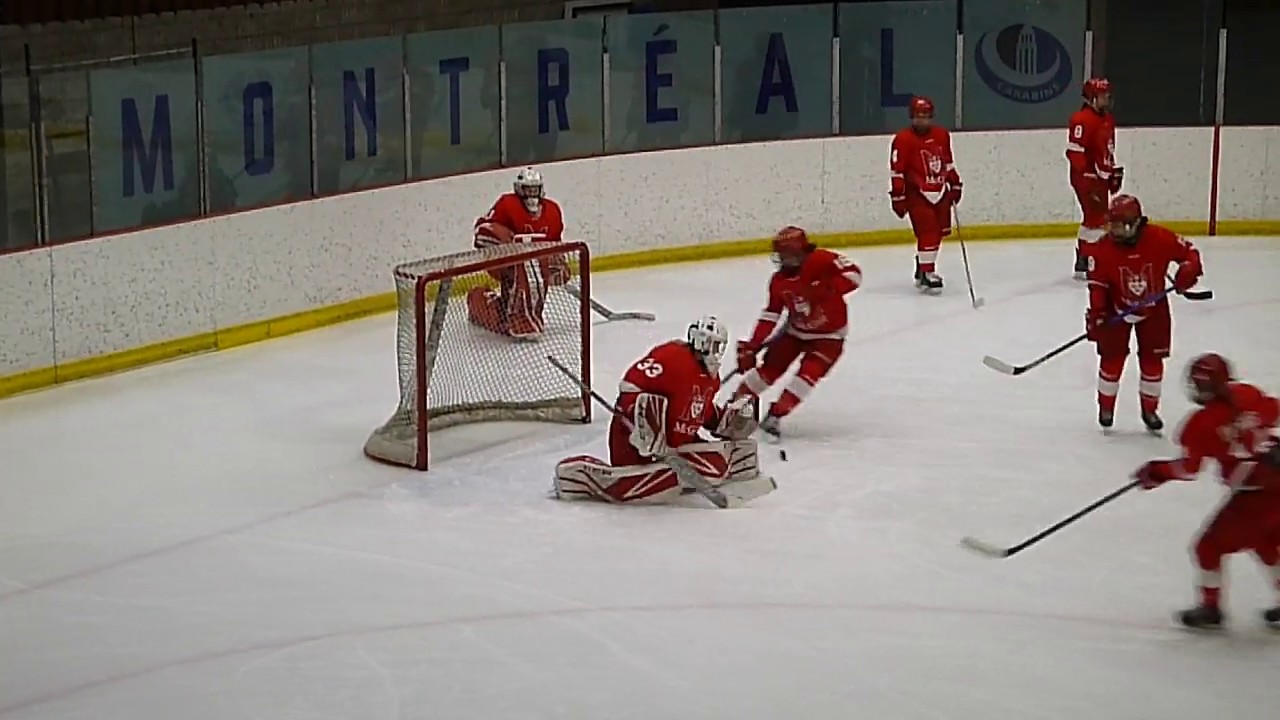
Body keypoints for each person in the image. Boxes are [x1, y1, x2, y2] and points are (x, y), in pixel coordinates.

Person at [1132, 353, 1280, 630]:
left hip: (1254, 496)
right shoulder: (1247, 393)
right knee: (1266, 543)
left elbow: (1189, 468)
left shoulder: (1200, 424)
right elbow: (1274, 410)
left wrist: (1157, 472)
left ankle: (1210, 608)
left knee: (1208, 547)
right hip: (1277, 485)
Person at [553, 316, 765, 504]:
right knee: (662, 482)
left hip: (674, 447)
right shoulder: (673, 356)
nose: (717, 352)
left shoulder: (711, 379)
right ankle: (588, 477)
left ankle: (721, 465)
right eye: (714, 345)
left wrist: (724, 422)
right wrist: (642, 422)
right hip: (634, 441)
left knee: (716, 465)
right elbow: (630, 387)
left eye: (720, 346)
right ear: (701, 341)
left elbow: (700, 410)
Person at [1086, 194, 1202, 431]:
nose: (1114, 231)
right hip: (1115, 308)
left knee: (1152, 361)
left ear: (1135, 223)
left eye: (1120, 225)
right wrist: (1097, 314)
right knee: (1111, 359)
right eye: (1112, 224)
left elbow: (1190, 252)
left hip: (1154, 308)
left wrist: (1189, 269)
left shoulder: (1159, 238)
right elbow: (1097, 286)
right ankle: (1105, 407)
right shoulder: (1102, 249)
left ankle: (1150, 410)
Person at [733, 226, 863, 439]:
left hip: (829, 338)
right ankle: (736, 404)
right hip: (793, 333)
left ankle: (776, 415)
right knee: (769, 369)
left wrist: (828, 288)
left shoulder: (821, 260)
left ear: (803, 252)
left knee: (807, 376)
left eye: (789, 255)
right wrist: (752, 345)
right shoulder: (778, 282)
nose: (784, 260)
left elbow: (854, 275)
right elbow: (771, 314)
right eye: (781, 255)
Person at [469, 167, 570, 340]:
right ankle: (519, 318)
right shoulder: (507, 204)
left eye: (535, 189)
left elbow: (555, 245)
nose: (531, 194)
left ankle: (525, 314)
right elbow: (481, 232)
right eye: (527, 189)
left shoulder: (552, 210)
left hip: (535, 264)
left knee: (535, 271)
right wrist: (503, 241)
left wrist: (558, 261)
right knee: (525, 267)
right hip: (502, 262)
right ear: (519, 189)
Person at [889, 95, 962, 293]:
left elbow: (947, 162)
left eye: (926, 116)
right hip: (917, 194)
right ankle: (928, 273)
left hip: (940, 191)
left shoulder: (942, 135)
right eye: (918, 116)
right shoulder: (903, 139)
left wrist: (955, 184)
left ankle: (923, 267)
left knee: (939, 233)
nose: (922, 120)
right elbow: (897, 170)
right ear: (911, 116)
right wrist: (898, 196)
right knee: (927, 233)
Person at [1067, 77, 1121, 280]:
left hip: (1099, 177)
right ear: (1091, 98)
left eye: (1108, 95)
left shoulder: (1107, 119)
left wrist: (1111, 172)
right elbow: (1074, 152)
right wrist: (1086, 177)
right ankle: (1091, 261)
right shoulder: (1081, 120)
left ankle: (1084, 260)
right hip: (1086, 178)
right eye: (1103, 96)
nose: (1107, 99)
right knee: (1099, 220)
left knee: (1094, 219)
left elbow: (1107, 150)